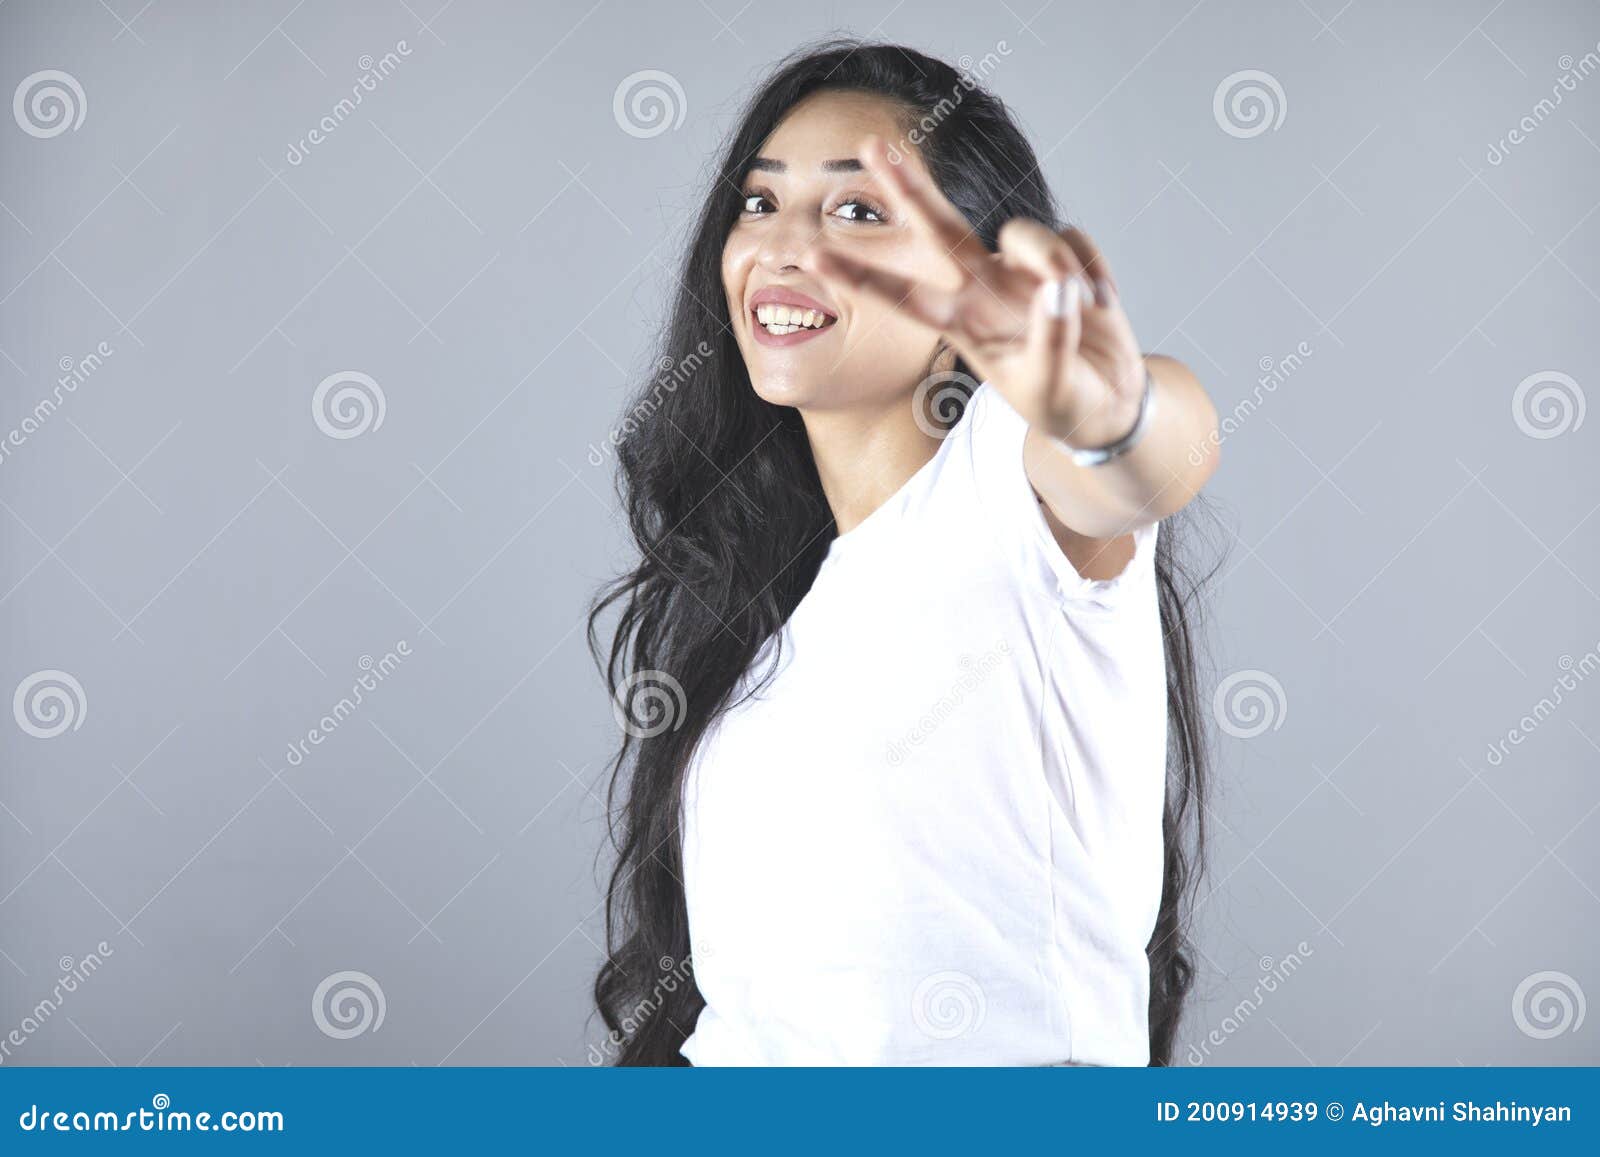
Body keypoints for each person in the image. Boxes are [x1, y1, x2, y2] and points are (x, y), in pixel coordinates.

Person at [590, 40, 1221, 1066]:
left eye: (857, 211)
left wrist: (1107, 413)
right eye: (759, 204)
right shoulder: (775, 620)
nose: (783, 247)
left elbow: (1153, 457)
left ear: (978, 277)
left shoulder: (1006, 480)